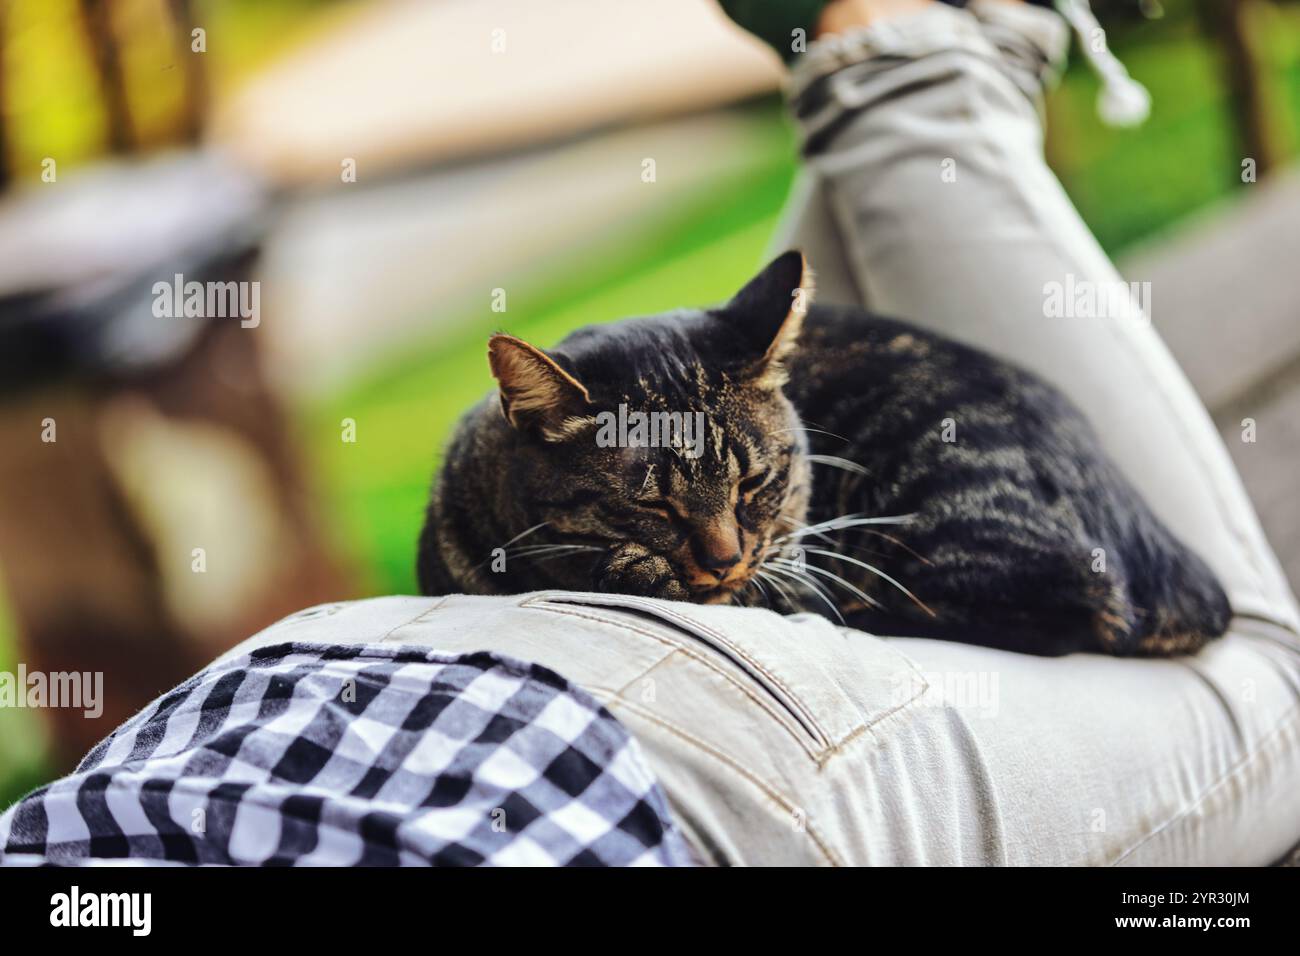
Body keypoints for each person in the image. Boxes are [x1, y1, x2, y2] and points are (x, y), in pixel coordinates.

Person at [4, 0, 1298, 866]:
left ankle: (897, 59)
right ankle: (885, 66)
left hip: (643, 760)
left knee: (1267, 695)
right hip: (298, 696)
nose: (725, 553)